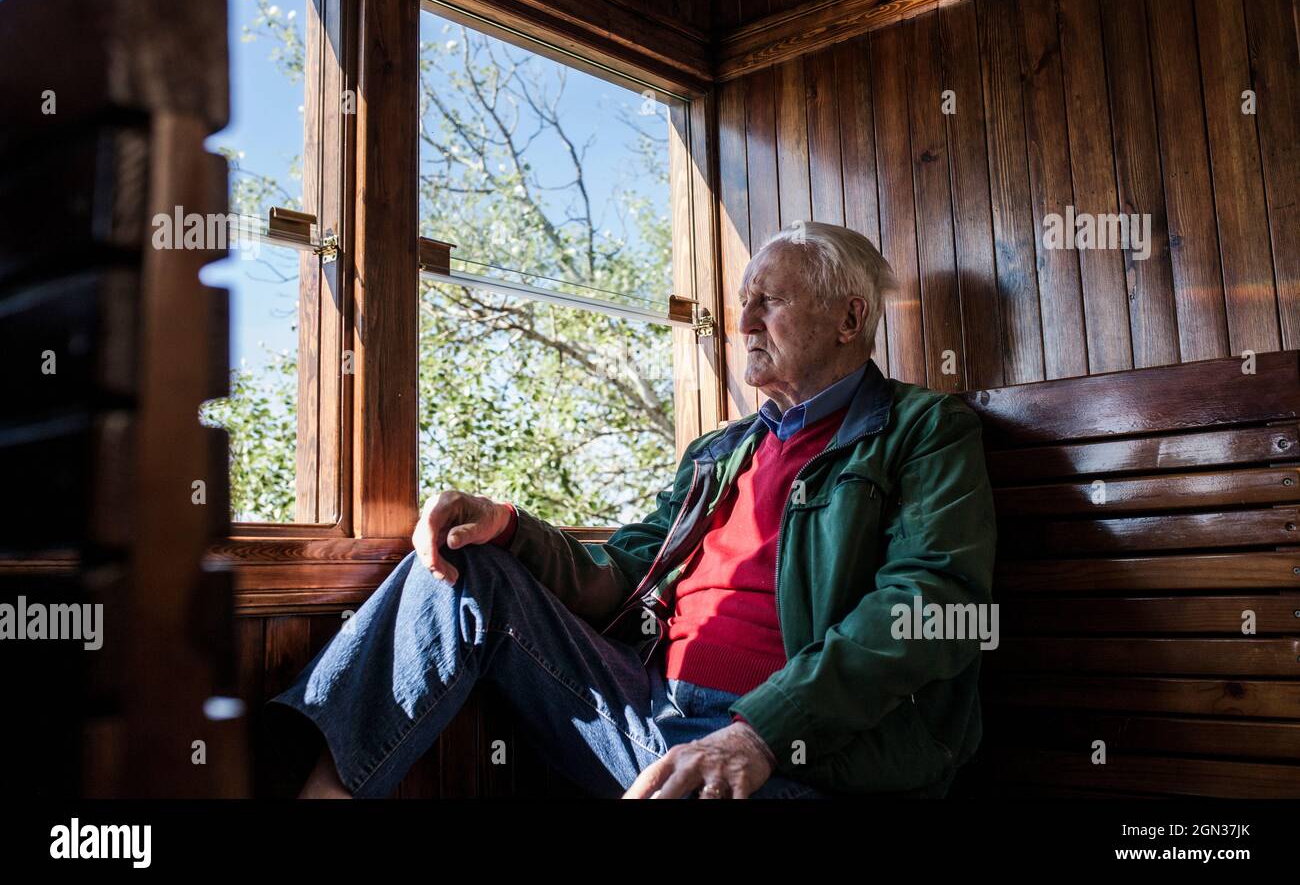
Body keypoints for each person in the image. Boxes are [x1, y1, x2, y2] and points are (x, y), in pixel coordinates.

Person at [266, 221, 997, 799]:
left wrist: (761, 734)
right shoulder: (721, 452)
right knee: (459, 569)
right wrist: (512, 528)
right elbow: (620, 571)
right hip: (652, 714)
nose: (741, 321)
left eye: (767, 300)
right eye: (742, 301)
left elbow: (927, 603)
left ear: (849, 318)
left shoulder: (924, 430)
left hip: (808, 757)